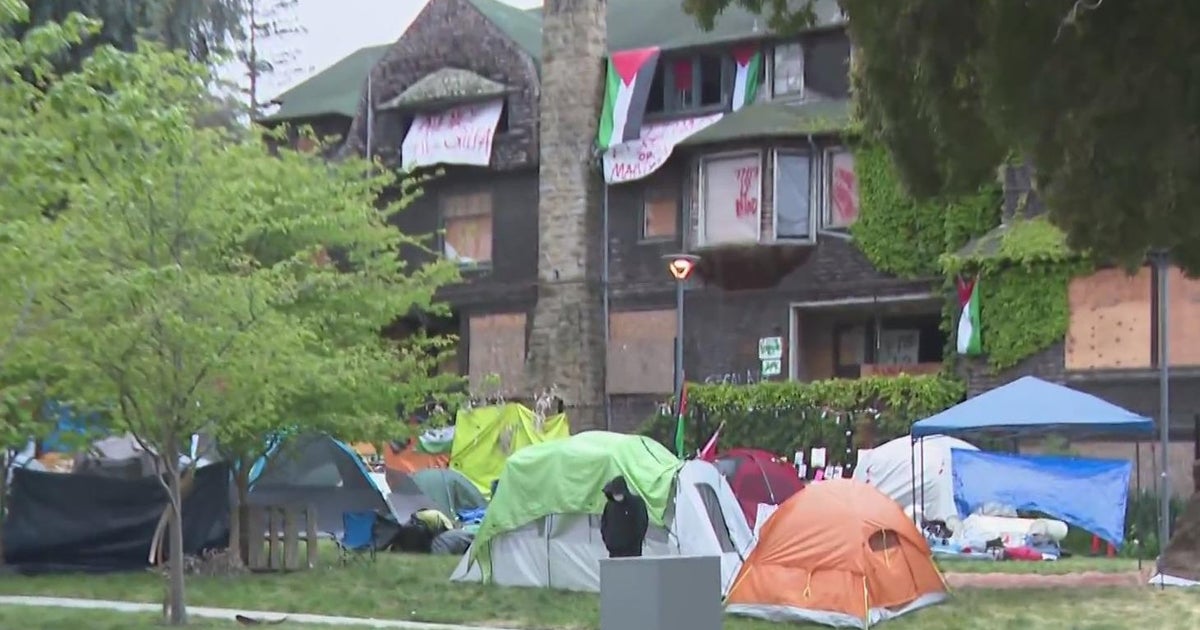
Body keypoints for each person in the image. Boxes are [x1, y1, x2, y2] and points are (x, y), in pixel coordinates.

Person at [600, 475, 649, 558]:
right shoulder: (610, 505)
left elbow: (642, 524)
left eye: (618, 493)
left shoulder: (637, 503)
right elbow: (604, 524)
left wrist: (635, 542)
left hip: (632, 552)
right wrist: (608, 542)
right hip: (614, 551)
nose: (616, 496)